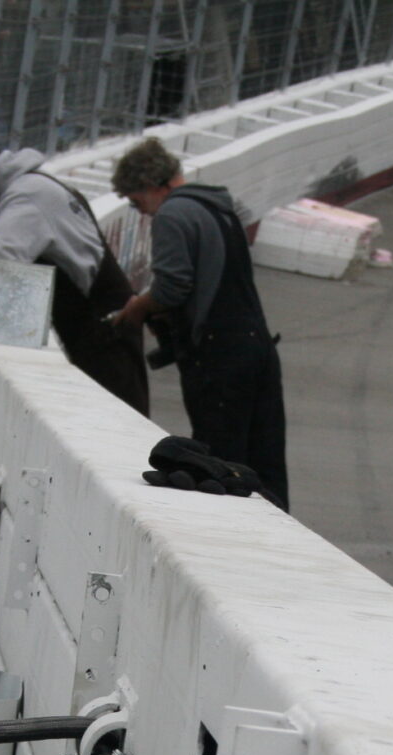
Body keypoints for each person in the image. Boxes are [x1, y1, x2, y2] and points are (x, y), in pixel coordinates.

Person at [108, 138, 289, 510]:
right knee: (265, 462)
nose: (142, 213)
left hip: (219, 359)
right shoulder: (221, 208)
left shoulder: (173, 215)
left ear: (150, 185)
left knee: (219, 467)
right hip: (258, 349)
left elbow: (173, 287)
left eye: (137, 202)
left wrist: (138, 308)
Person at [0, 146, 150, 415]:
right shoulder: (39, 184)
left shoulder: (26, 196)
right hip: (106, 322)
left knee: (119, 417)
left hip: (103, 328)